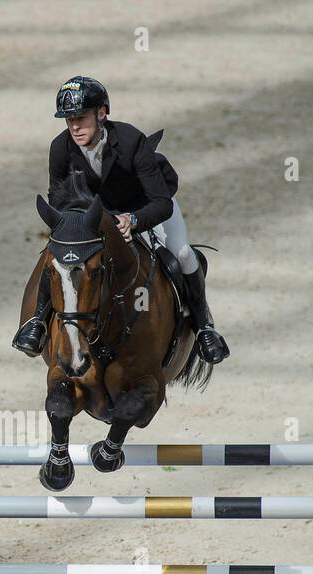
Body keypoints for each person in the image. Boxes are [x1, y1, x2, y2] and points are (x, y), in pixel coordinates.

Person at [13, 76, 229, 365]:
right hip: (96, 215)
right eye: (68, 120)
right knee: (58, 254)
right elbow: (60, 203)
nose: (74, 126)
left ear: (101, 113)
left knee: (182, 253)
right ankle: (37, 321)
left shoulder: (130, 141)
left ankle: (204, 327)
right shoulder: (60, 148)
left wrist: (133, 220)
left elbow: (161, 202)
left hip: (146, 206)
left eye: (81, 117)